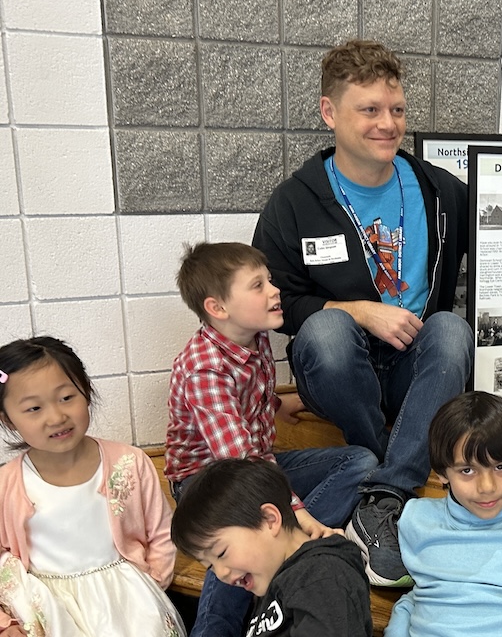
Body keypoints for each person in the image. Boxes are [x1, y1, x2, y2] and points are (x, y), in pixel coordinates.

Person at [252, 38, 502, 587]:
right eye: (368, 110)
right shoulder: (294, 202)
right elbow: (279, 303)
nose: (386, 124)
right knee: (324, 330)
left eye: (395, 110)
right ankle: (381, 471)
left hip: (413, 372)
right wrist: (359, 310)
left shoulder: (438, 190)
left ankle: (382, 492)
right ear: (330, 113)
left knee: (450, 328)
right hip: (337, 374)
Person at [166, 241, 378, 637]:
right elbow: (242, 467)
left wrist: (277, 404)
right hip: (207, 479)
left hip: (260, 461)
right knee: (233, 538)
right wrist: (297, 510)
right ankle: (214, 626)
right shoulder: (203, 369)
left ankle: (283, 544)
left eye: (270, 280)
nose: (274, 290)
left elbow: (250, 398)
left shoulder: (255, 335)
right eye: (257, 285)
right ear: (218, 308)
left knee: (360, 462)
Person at [0, 336, 185, 636]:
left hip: (130, 604)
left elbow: (162, 533)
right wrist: (7, 624)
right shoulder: (6, 484)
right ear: (8, 420)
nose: (56, 417)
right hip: (50, 612)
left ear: (85, 391)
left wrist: (152, 586)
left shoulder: (130, 462)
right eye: (34, 408)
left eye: (66, 397)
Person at [385, 391, 502, 636]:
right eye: (467, 470)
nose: (487, 487)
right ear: (441, 472)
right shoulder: (415, 520)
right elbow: (417, 596)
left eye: (501, 466)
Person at [171, 458, 372, 637]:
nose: (221, 574)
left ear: (269, 519)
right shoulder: (277, 580)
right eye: (210, 566)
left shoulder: (322, 576)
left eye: (221, 553)